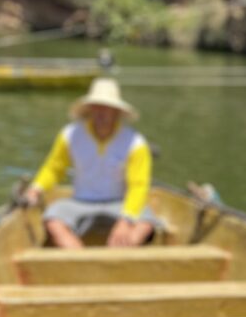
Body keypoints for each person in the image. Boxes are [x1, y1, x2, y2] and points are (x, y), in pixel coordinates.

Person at [23, 77, 155, 248]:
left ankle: (115, 260)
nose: (102, 112)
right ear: (90, 108)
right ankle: (81, 260)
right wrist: (36, 189)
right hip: (80, 201)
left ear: (116, 111)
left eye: (107, 108)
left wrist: (126, 220)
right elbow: (54, 168)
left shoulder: (136, 142)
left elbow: (138, 185)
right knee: (52, 221)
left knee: (145, 224)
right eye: (97, 106)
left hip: (120, 202)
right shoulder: (70, 134)